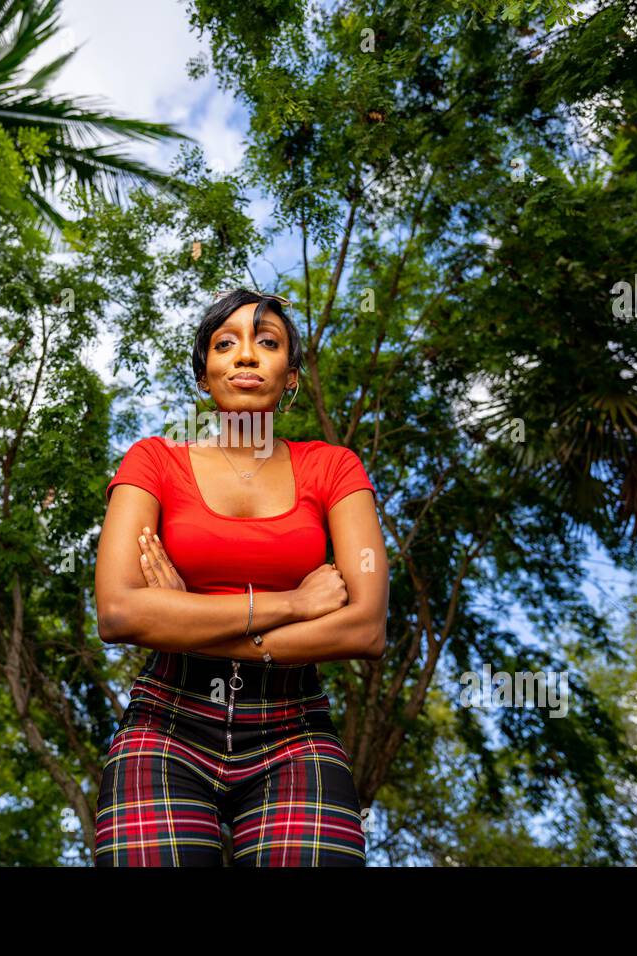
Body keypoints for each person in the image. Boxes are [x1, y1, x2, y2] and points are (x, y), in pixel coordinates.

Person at [93, 288, 389, 866]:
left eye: (268, 343)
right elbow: (120, 613)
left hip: (296, 731)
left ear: (291, 375)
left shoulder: (334, 467)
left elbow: (365, 629)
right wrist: (295, 604)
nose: (246, 356)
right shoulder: (153, 461)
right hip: (165, 724)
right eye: (225, 344)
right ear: (204, 375)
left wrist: (187, 619)